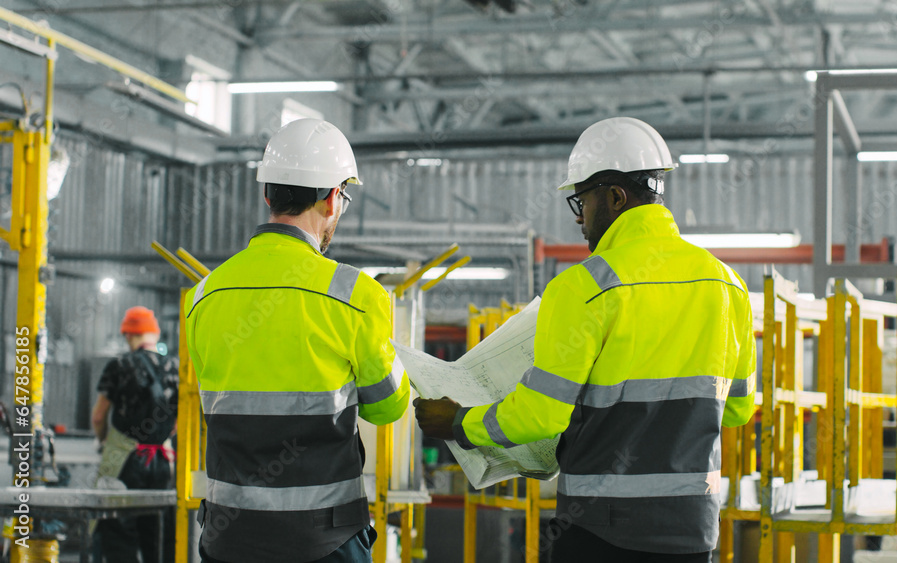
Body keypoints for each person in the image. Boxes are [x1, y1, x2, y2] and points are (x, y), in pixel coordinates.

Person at [414, 117, 757, 562]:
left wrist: (459, 423)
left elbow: (540, 415)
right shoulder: (728, 286)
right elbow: (738, 410)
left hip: (601, 532)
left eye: (582, 200)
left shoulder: (586, 288)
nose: (579, 218)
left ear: (614, 196)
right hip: (692, 532)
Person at [184, 118, 410, 563]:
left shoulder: (204, 295)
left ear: (268, 195)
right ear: (332, 198)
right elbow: (388, 407)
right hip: (324, 540)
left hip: (229, 538)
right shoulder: (354, 294)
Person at [91, 306, 178, 563]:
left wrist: (103, 440)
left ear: (128, 335)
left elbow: (98, 416)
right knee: (158, 530)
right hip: (162, 461)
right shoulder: (175, 367)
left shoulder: (119, 365)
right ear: (155, 334)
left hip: (125, 459)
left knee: (117, 527)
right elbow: (178, 420)